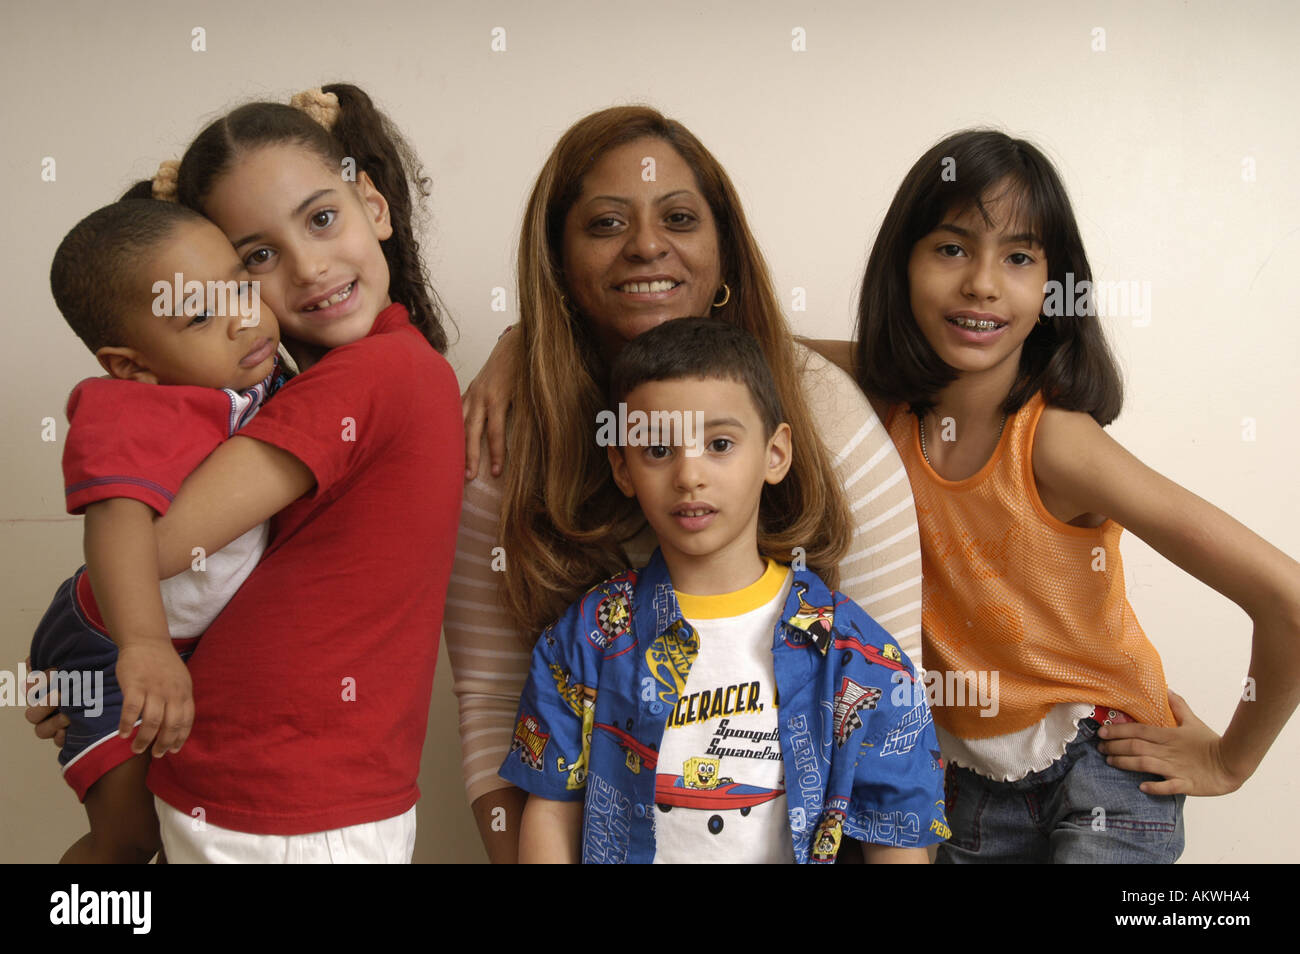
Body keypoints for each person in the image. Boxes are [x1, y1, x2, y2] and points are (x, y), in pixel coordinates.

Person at [446, 106, 924, 861]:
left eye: (678, 217)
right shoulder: (508, 438)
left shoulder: (824, 411)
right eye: (605, 223)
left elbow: (888, 743)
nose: (645, 245)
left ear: (777, 451)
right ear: (558, 266)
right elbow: (501, 721)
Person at [30, 84, 463, 863]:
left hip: (292, 788)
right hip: (283, 792)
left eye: (322, 218)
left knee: (114, 857)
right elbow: (169, 548)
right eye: (257, 256)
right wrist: (103, 652)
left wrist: (87, 650)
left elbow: (158, 546)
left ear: (375, 205)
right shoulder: (363, 376)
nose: (308, 267)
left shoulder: (379, 374)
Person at [853, 129, 1300, 862]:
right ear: (901, 264)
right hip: (959, 772)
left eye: (1019, 257)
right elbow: (772, 352)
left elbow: (1289, 598)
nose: (983, 284)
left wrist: (1230, 760)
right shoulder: (880, 405)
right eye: (952, 248)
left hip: (1097, 767)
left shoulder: (1056, 442)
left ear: (1054, 291)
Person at [503, 317, 947, 863]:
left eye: (718, 443)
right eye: (659, 451)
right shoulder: (589, 638)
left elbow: (898, 832)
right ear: (622, 467)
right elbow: (550, 811)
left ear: (775, 454)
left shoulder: (849, 651)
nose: (689, 474)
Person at [30, 193, 282, 863]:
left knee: (181, 829)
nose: (242, 320)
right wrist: (142, 647)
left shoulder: (262, 378)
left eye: (240, 285)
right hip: (109, 640)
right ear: (133, 365)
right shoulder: (127, 410)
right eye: (201, 315)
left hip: (185, 640)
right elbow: (114, 521)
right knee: (129, 839)